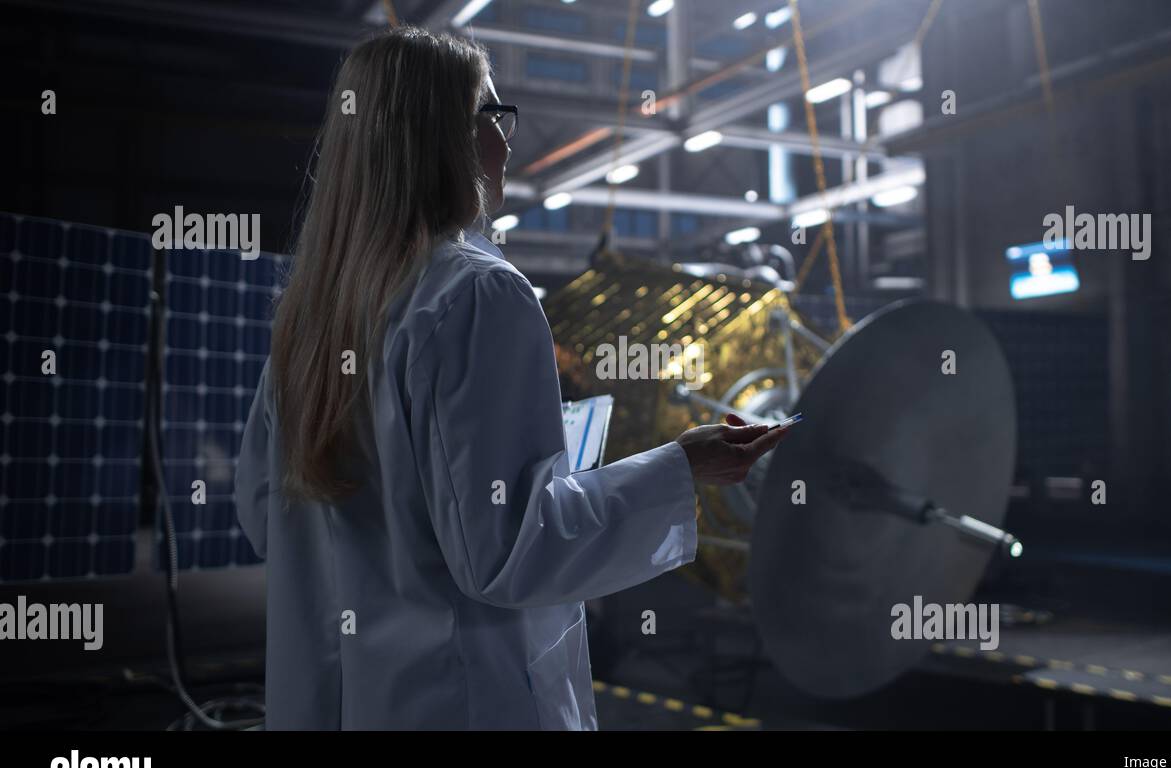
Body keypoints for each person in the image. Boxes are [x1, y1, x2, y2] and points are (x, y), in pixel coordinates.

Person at [234, 26, 787, 730]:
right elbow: (508, 552)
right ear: (444, 138)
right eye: (492, 115)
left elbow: (263, 513)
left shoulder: (313, 311)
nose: (507, 139)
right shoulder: (476, 295)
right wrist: (681, 464)